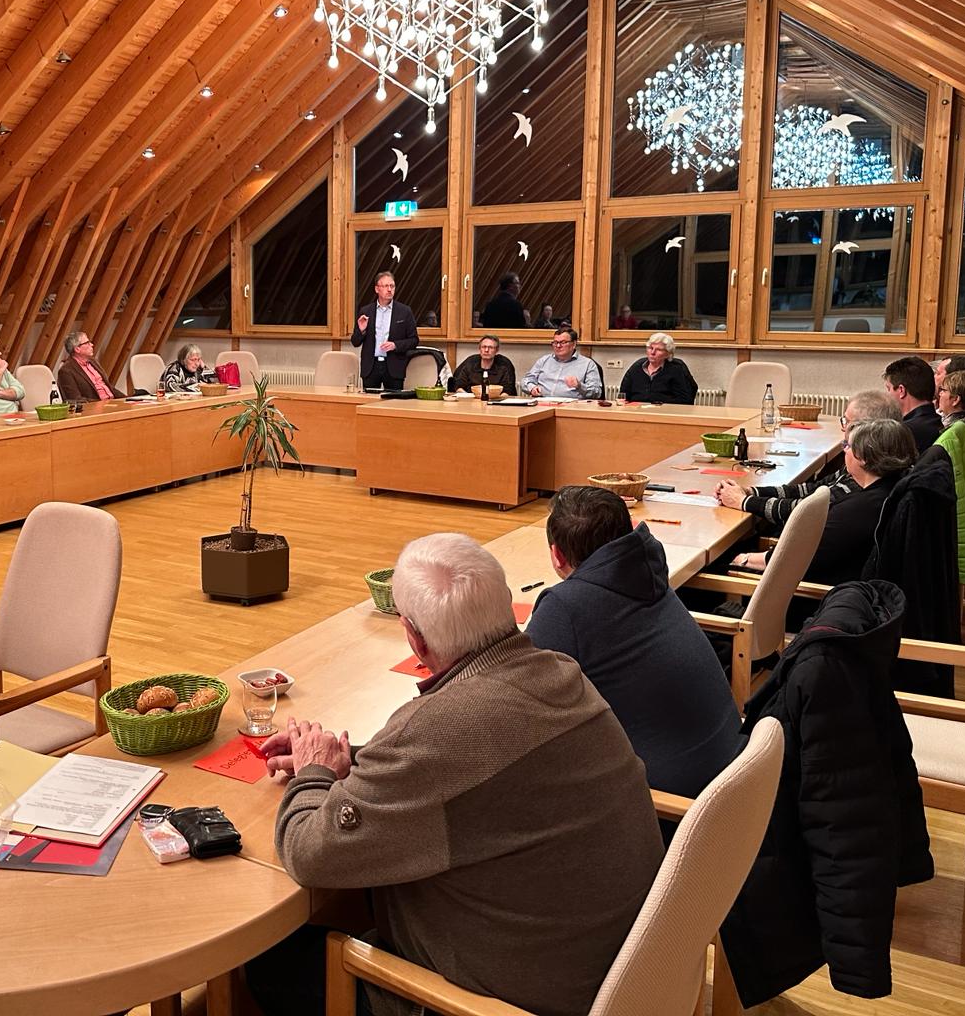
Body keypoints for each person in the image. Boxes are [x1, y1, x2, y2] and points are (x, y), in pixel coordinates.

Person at [245, 533, 663, 1016]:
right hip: (630, 971)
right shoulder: (561, 672)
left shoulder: (434, 733)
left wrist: (315, 773)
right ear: (507, 606)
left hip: (517, 1001)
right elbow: (463, 769)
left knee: (269, 963)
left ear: (414, 636)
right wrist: (350, 760)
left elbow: (309, 853)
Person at [720, 579, 931, 1007]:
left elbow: (842, 822)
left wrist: (856, 963)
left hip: (736, 831)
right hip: (744, 781)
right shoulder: (838, 658)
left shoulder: (823, 669)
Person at [528, 486, 741, 798]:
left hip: (673, 808)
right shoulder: (645, 569)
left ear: (556, 555)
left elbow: (518, 701)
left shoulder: (566, 607)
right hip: (733, 776)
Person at [730, 418, 916, 587]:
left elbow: (793, 560)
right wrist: (753, 493)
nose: (844, 450)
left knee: (724, 559)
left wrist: (744, 559)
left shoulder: (855, 511)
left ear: (864, 457)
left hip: (808, 595)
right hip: (834, 580)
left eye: (848, 446)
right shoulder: (891, 490)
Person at [716, 389, 901, 531]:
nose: (842, 428)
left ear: (867, 432)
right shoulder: (860, 469)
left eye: (846, 422)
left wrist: (743, 501)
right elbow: (811, 490)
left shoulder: (860, 484)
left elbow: (800, 511)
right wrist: (752, 491)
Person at [350, 272, 418, 391]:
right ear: (377, 289)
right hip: (371, 367)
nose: (389, 289)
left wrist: (395, 345)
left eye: (392, 286)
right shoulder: (366, 311)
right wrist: (361, 330)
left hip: (394, 367)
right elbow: (355, 342)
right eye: (386, 286)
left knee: (393, 401)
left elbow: (414, 340)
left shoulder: (404, 311)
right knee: (369, 401)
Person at [521, 327, 603, 399]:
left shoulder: (588, 364)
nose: (558, 346)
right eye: (555, 342)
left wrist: (579, 386)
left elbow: (597, 392)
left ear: (574, 344)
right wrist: (532, 388)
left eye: (563, 342)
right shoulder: (544, 361)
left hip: (571, 407)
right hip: (542, 404)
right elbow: (526, 380)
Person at [883, 354, 942, 452]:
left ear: (901, 390)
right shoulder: (938, 422)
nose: (887, 394)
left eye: (889, 389)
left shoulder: (902, 433)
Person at [617, 332, 698, 404]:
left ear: (668, 354)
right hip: (637, 411)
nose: (652, 352)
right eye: (650, 348)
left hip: (666, 412)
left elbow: (686, 399)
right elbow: (623, 395)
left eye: (658, 349)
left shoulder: (677, 368)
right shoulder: (637, 367)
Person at [56, 330, 125, 402]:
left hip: (112, 402)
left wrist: (128, 399)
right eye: (87, 343)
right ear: (77, 349)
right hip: (97, 405)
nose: (92, 345)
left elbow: (109, 387)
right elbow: (75, 399)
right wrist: (102, 404)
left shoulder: (93, 362)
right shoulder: (66, 371)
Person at [448, 335, 517, 396]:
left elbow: (508, 391)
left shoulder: (504, 365)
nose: (486, 350)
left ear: (497, 350)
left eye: (490, 347)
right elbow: (459, 387)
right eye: (484, 347)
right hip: (471, 400)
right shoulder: (470, 363)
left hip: (496, 402)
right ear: (479, 349)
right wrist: (470, 398)